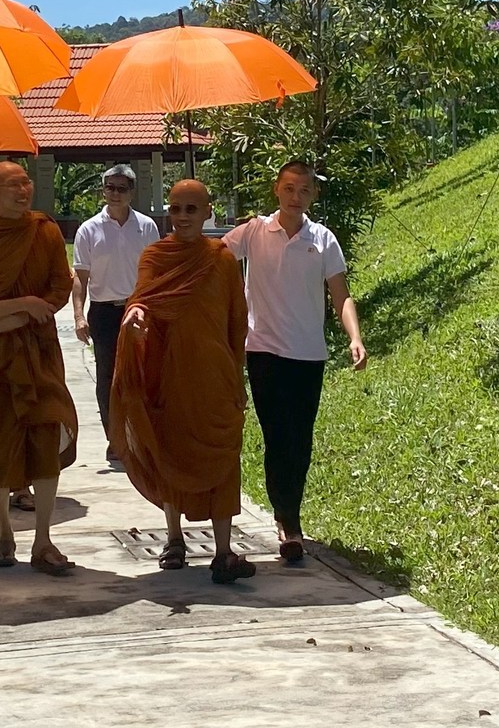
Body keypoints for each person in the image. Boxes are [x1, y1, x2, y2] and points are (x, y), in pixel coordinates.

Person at [222, 161, 367, 566]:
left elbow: (341, 294)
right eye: (289, 188)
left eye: (304, 190)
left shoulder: (322, 240)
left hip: (308, 353)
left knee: (300, 440)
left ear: (312, 196)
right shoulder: (254, 231)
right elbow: (213, 256)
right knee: (276, 436)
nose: (295, 197)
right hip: (263, 350)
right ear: (277, 190)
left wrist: (354, 338)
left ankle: (290, 512)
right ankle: (288, 522)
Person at [113, 178, 252, 584]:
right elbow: (141, 300)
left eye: (192, 209)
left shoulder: (222, 259)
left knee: (222, 455)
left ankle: (224, 552)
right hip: (168, 372)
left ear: (208, 212)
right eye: (176, 209)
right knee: (170, 450)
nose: (183, 217)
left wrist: (236, 375)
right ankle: (174, 540)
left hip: (214, 374)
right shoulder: (155, 256)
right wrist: (136, 316)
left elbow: (236, 322)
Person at [0, 159, 80, 575]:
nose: (23, 190)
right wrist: (22, 305)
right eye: (12, 185)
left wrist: (22, 314)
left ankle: (43, 540)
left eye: (26, 182)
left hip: (39, 353)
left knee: (46, 434)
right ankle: (4, 534)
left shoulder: (44, 231)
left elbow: (60, 286)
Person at [71, 163, 159, 466]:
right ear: (103, 191)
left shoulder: (146, 227)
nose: (116, 194)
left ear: (132, 192)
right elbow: (80, 277)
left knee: (141, 374)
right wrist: (79, 317)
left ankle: (140, 435)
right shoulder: (89, 229)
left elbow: (153, 272)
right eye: (110, 188)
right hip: (105, 313)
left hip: (138, 308)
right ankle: (115, 439)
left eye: (122, 188)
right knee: (108, 376)